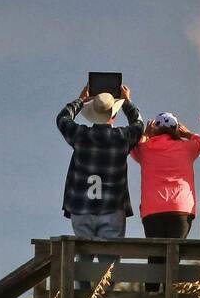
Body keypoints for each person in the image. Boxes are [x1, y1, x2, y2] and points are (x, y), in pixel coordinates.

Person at [56, 82, 143, 243]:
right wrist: (127, 102)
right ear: (114, 114)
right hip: (112, 207)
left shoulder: (80, 135)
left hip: (81, 206)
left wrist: (80, 100)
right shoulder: (122, 137)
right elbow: (139, 125)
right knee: (109, 262)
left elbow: (62, 118)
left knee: (82, 260)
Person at [131, 112, 200, 291]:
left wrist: (146, 135)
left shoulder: (145, 148)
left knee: (155, 258)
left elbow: (134, 148)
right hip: (181, 210)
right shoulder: (187, 148)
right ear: (176, 129)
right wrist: (187, 134)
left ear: (155, 128)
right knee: (174, 258)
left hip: (153, 210)